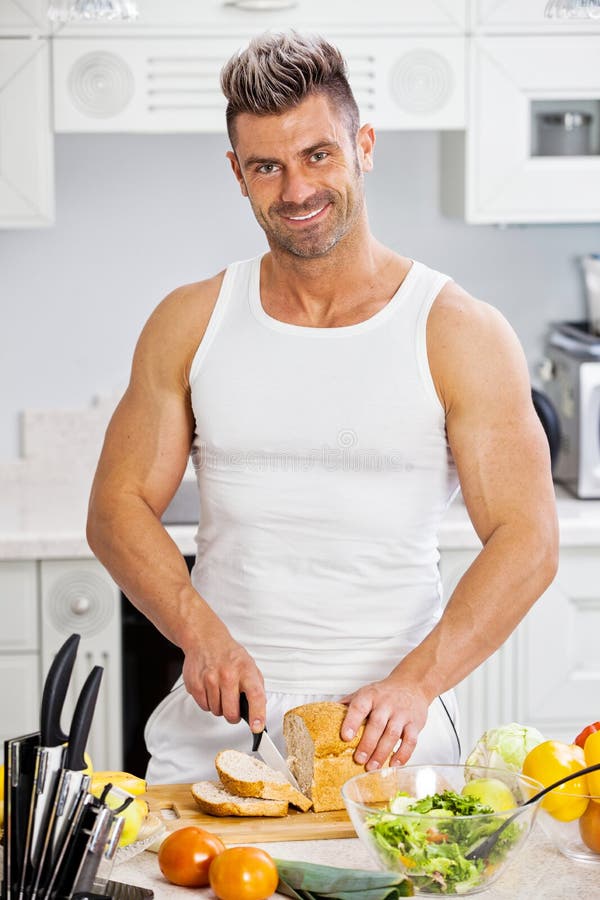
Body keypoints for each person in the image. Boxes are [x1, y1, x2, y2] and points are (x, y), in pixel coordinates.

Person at [87, 32, 558, 784]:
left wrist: (418, 683)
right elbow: (115, 507)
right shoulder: (189, 320)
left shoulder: (456, 329)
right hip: (218, 726)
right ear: (237, 174)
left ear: (363, 147)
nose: (296, 190)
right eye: (267, 166)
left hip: (387, 732)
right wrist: (197, 631)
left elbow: (528, 538)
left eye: (318, 155)